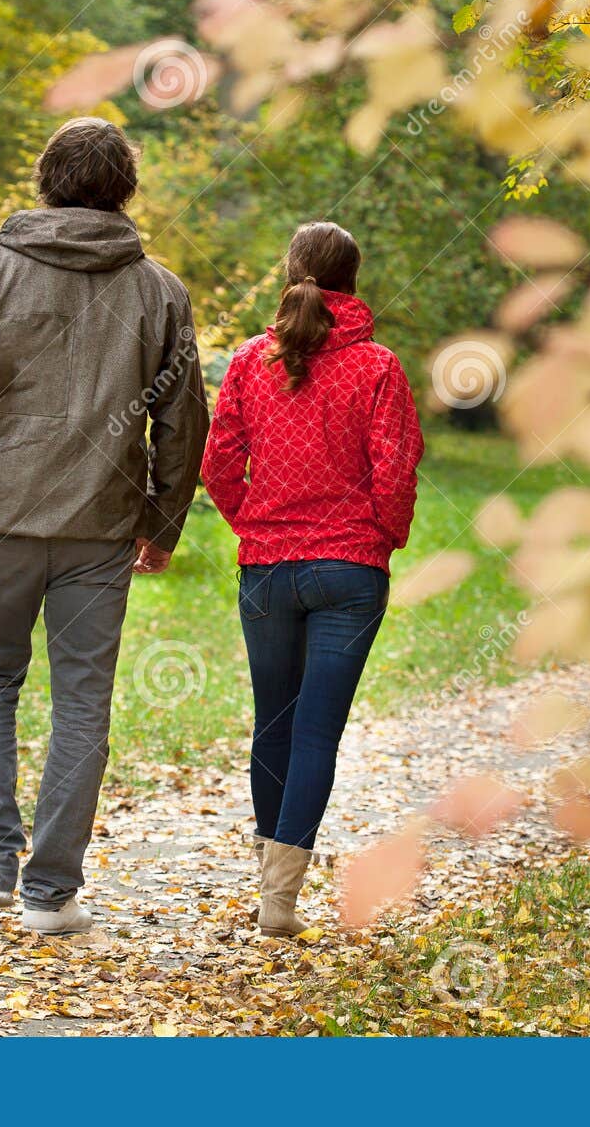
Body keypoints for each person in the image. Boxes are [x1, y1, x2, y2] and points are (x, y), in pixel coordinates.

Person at [0, 117, 209, 935]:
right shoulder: (160, 291)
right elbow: (184, 421)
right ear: (125, 187)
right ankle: (50, 894)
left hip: (4, 513)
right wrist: (162, 521)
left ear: (47, 179)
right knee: (81, 702)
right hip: (101, 525)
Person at [201, 221, 424, 936]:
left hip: (267, 569)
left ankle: (271, 883)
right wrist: (382, 537)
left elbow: (217, 465)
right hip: (349, 572)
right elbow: (395, 472)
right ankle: (279, 903)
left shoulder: (249, 360)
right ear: (352, 281)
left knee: (274, 721)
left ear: (290, 273)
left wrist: (253, 523)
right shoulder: (379, 367)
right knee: (315, 732)